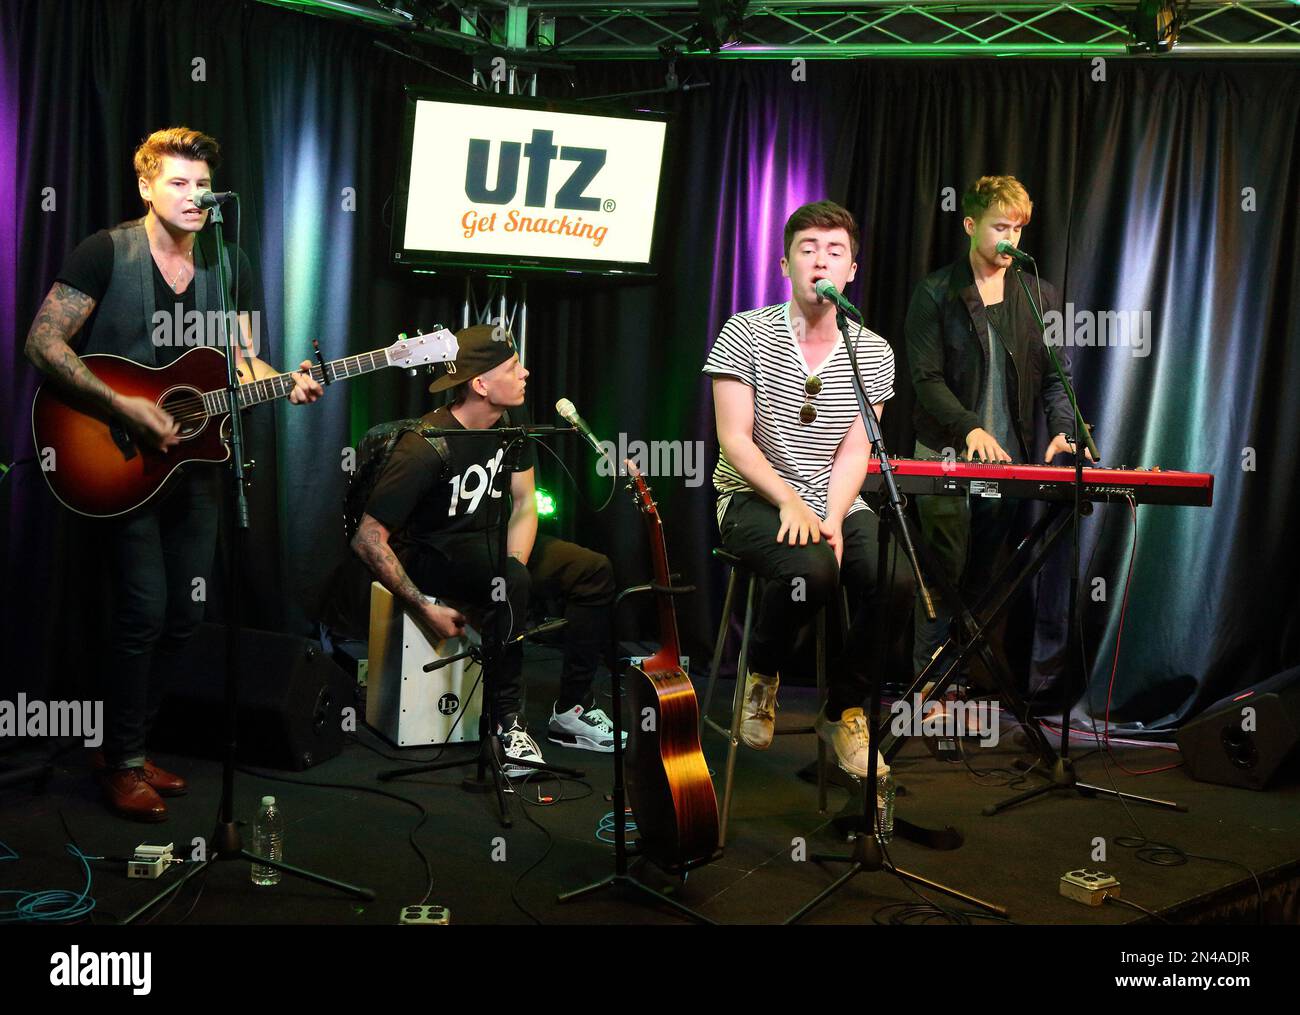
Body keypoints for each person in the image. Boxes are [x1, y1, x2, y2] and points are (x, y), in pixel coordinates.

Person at [23, 126, 323, 821]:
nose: (194, 196)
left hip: (196, 468)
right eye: (179, 182)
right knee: (144, 609)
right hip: (115, 459)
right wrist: (123, 404)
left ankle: (123, 743)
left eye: (202, 184)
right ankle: (121, 759)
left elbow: (244, 363)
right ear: (147, 185)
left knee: (186, 616)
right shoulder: (108, 252)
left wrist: (291, 382)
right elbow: (43, 342)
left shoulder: (229, 260)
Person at [348, 325, 620, 777]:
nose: (526, 373)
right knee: (510, 582)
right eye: (513, 367)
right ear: (479, 384)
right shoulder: (425, 446)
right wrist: (420, 604)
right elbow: (368, 537)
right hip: (434, 552)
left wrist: (512, 564)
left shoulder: (511, 424)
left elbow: (525, 504)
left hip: (490, 541)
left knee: (593, 570)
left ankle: (571, 710)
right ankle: (505, 724)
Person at [703, 200, 898, 778]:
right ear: (784, 264)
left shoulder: (873, 350)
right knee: (812, 571)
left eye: (834, 252)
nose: (820, 261)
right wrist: (787, 498)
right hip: (751, 496)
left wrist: (835, 515)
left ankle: (843, 710)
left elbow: (856, 449)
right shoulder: (746, 333)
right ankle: (760, 674)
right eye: (807, 250)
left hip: (834, 495)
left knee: (895, 580)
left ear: (851, 272)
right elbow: (734, 439)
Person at [905, 174, 1088, 695]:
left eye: (1018, 229)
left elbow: (1057, 375)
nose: (1010, 240)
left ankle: (956, 684)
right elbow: (926, 380)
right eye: (999, 227)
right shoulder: (935, 292)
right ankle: (927, 690)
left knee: (982, 581)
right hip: (944, 457)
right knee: (943, 576)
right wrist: (971, 428)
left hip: (1005, 465)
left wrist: (1062, 431)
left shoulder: (1038, 296)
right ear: (970, 225)